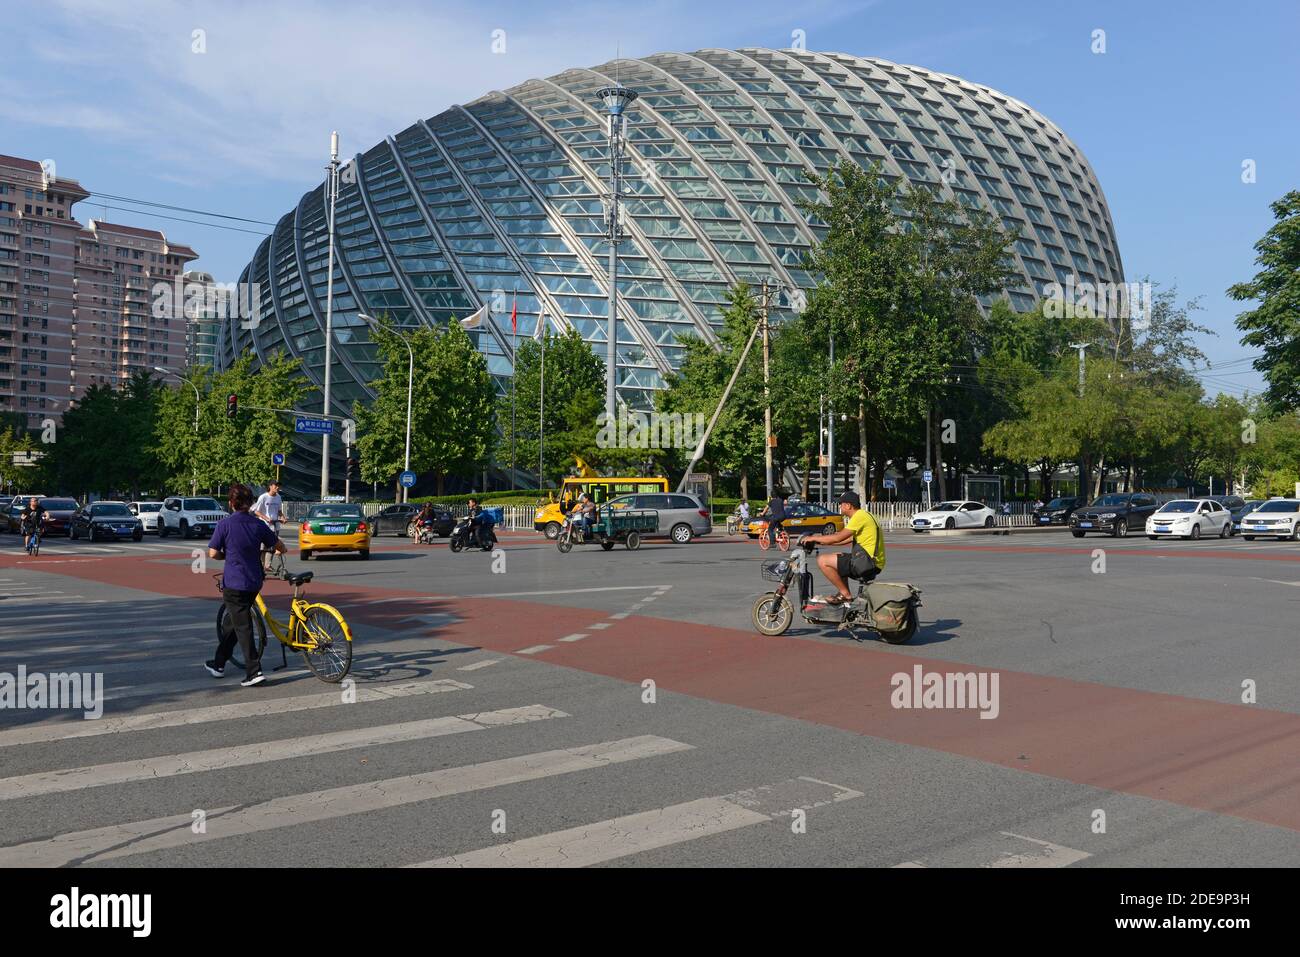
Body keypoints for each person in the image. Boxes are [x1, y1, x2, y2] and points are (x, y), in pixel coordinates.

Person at [206, 482, 286, 687]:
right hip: (254, 581)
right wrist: (277, 550)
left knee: (242, 626)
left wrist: (227, 554)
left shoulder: (225, 524)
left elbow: (213, 553)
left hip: (234, 582)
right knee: (233, 623)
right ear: (250, 503)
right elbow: (279, 546)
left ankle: (254, 671)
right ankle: (218, 663)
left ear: (231, 503)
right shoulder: (258, 525)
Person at [805, 491, 885, 605]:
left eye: (841, 504)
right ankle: (844, 595)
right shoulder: (866, 515)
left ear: (848, 505)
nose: (839, 506)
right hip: (872, 562)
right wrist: (822, 542)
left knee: (822, 560)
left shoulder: (859, 517)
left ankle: (845, 594)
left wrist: (813, 538)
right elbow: (848, 539)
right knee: (838, 556)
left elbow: (838, 537)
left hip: (867, 563)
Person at [252, 481, 284, 568]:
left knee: (273, 546)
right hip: (265, 525)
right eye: (276, 485)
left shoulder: (278, 497)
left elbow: (279, 511)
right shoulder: (263, 497)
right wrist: (266, 518)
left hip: (275, 525)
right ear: (270, 486)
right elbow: (256, 511)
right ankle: (260, 566)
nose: (277, 487)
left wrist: (283, 517)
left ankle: (267, 565)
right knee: (263, 547)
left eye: (278, 486)